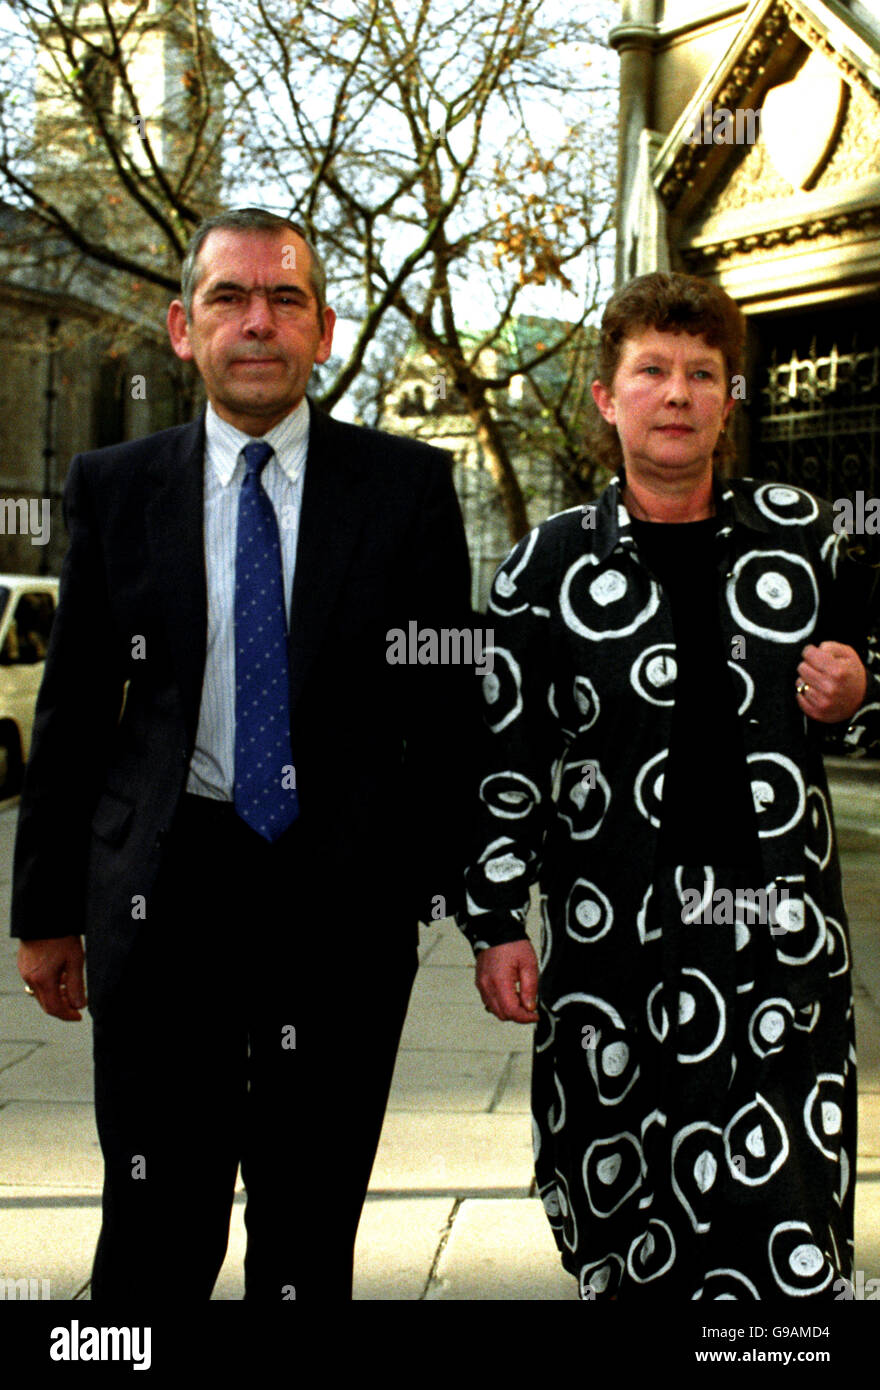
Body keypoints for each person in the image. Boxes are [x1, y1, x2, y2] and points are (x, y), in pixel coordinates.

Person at [12, 206, 477, 1302]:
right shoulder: (116, 487)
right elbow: (76, 710)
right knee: (154, 1225)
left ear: (324, 328)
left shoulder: (405, 489)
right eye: (229, 298)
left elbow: (446, 702)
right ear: (184, 329)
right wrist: (45, 910)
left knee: (309, 1227)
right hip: (163, 893)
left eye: (285, 300)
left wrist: (415, 875)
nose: (257, 323)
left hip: (338, 900)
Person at [459, 270, 879, 1300]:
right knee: (627, 1212)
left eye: (703, 372)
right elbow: (504, 758)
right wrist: (494, 919)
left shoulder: (804, 534)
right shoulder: (547, 566)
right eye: (652, 370)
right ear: (608, 396)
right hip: (617, 936)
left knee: (781, 1218)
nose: (678, 392)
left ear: (729, 399)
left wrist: (858, 690)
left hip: (777, 930)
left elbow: (874, 687)